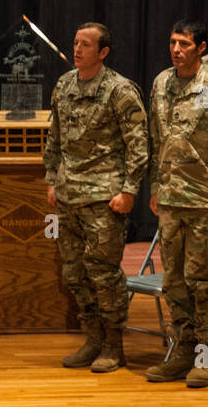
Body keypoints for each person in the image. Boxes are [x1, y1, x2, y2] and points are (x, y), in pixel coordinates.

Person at [144, 18, 208, 387]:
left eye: (184, 44)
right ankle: (182, 351)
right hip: (171, 199)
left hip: (207, 200)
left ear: (201, 48)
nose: (176, 50)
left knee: (202, 283)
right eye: (172, 42)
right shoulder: (160, 83)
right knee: (173, 282)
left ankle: (205, 357)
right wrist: (156, 185)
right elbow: (157, 141)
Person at [46, 22, 149, 373]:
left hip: (105, 199)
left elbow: (139, 144)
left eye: (85, 45)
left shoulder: (120, 91)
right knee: (75, 274)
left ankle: (113, 345)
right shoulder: (63, 85)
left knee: (103, 274)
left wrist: (129, 190)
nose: (77, 49)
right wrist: (51, 179)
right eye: (75, 43)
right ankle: (91, 339)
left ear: (103, 52)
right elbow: (55, 137)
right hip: (69, 194)